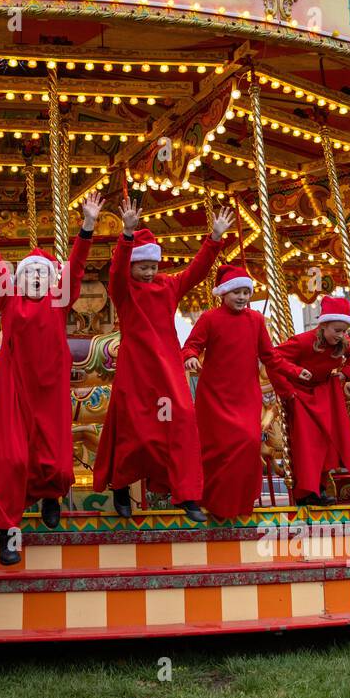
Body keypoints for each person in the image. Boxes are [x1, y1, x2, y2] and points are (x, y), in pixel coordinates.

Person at [0, 187, 100, 563]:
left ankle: (51, 494)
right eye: (30, 273)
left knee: (53, 458)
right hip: (14, 389)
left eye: (42, 272)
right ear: (19, 280)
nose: (36, 277)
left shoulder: (59, 301)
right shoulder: (10, 301)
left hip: (50, 390)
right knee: (11, 460)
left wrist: (87, 226)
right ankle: (7, 529)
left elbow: (76, 265)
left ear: (51, 279)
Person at [93, 197, 233, 521]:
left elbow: (196, 273)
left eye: (153, 266)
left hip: (167, 367)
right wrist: (127, 234)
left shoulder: (168, 285)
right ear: (132, 266)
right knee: (135, 430)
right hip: (136, 369)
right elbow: (115, 271)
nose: (149, 272)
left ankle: (187, 494)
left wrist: (214, 239)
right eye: (144, 266)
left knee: (182, 420)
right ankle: (121, 485)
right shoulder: (123, 289)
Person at [181, 266, 301, 520]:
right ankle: (212, 502)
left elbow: (270, 356)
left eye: (246, 292)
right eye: (237, 292)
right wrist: (191, 356)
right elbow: (191, 345)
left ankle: (240, 503)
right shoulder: (209, 319)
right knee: (217, 450)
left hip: (246, 395)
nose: (243, 297)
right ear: (223, 294)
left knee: (248, 444)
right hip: (215, 395)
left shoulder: (256, 320)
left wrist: (293, 371)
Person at [274, 296, 350, 506]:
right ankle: (306, 492)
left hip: (324, 394)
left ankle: (321, 488)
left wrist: (345, 374)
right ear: (324, 324)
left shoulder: (343, 343)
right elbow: (274, 359)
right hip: (301, 396)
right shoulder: (303, 341)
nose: (341, 335)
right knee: (308, 444)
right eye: (337, 330)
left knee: (327, 443)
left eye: (344, 331)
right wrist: (288, 390)